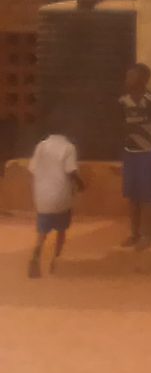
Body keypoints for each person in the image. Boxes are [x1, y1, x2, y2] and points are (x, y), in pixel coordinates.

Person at [120, 63, 151, 249]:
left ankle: (145, 236)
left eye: (131, 76)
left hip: (148, 153)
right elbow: (120, 126)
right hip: (130, 153)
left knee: (148, 197)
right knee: (132, 196)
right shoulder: (122, 101)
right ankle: (134, 234)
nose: (127, 80)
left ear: (142, 80)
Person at [27, 118, 84, 278]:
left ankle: (37, 254)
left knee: (42, 231)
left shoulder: (41, 146)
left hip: (42, 197)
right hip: (61, 197)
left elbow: (32, 169)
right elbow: (71, 170)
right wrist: (81, 184)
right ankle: (56, 260)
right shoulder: (68, 148)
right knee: (61, 230)